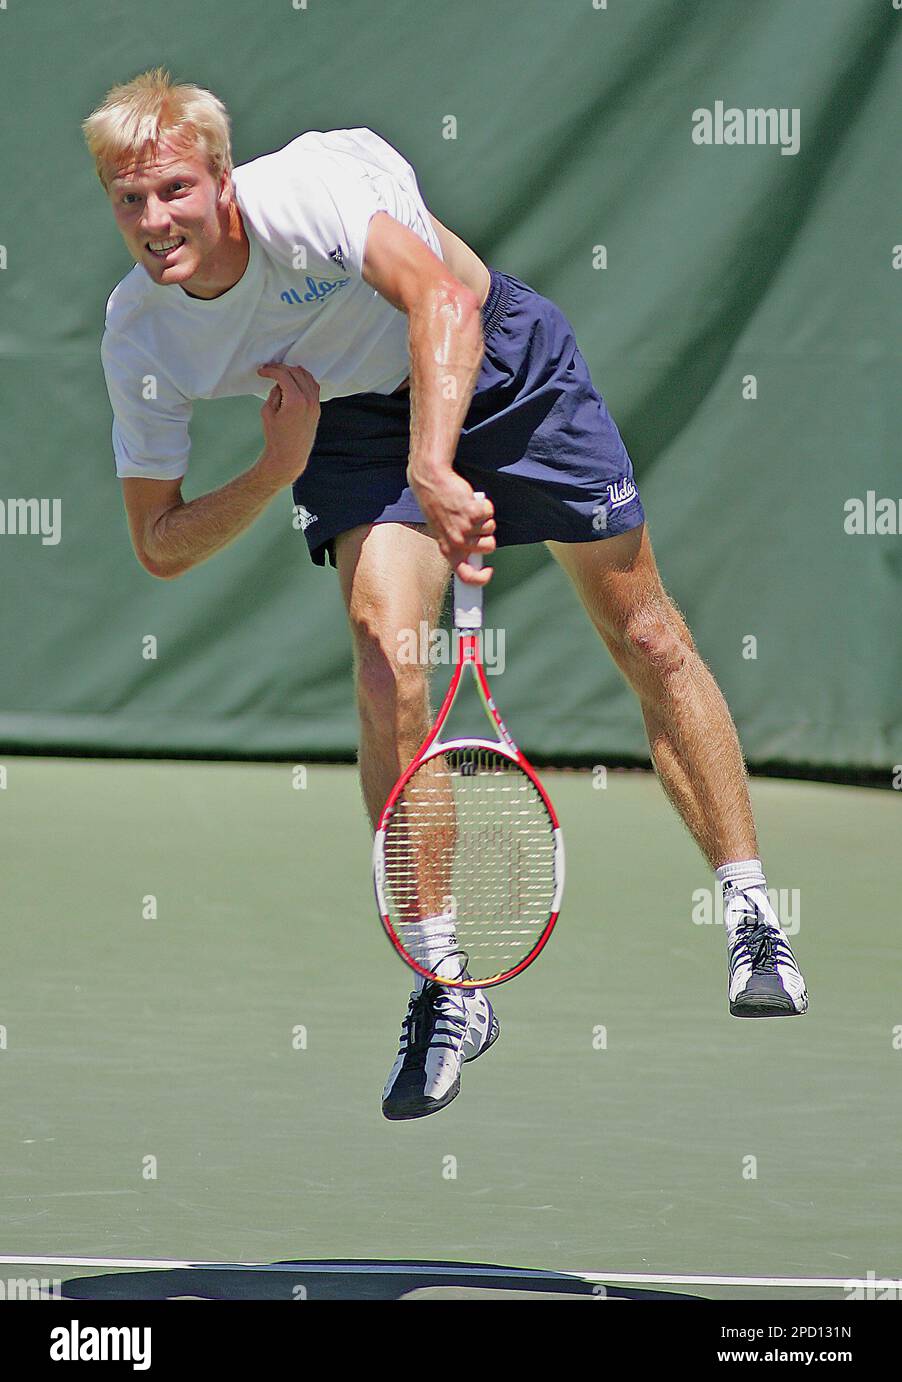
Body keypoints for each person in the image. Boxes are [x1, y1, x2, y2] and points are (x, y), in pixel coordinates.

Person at [83, 69, 808, 1122]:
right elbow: (157, 542)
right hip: (350, 425)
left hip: (499, 365)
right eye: (128, 199)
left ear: (223, 181)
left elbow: (440, 302)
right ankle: (443, 979)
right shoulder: (138, 332)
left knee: (646, 634)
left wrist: (435, 463)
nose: (153, 221)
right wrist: (275, 470)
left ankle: (751, 913)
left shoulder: (315, 190)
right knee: (384, 653)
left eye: (174, 191)